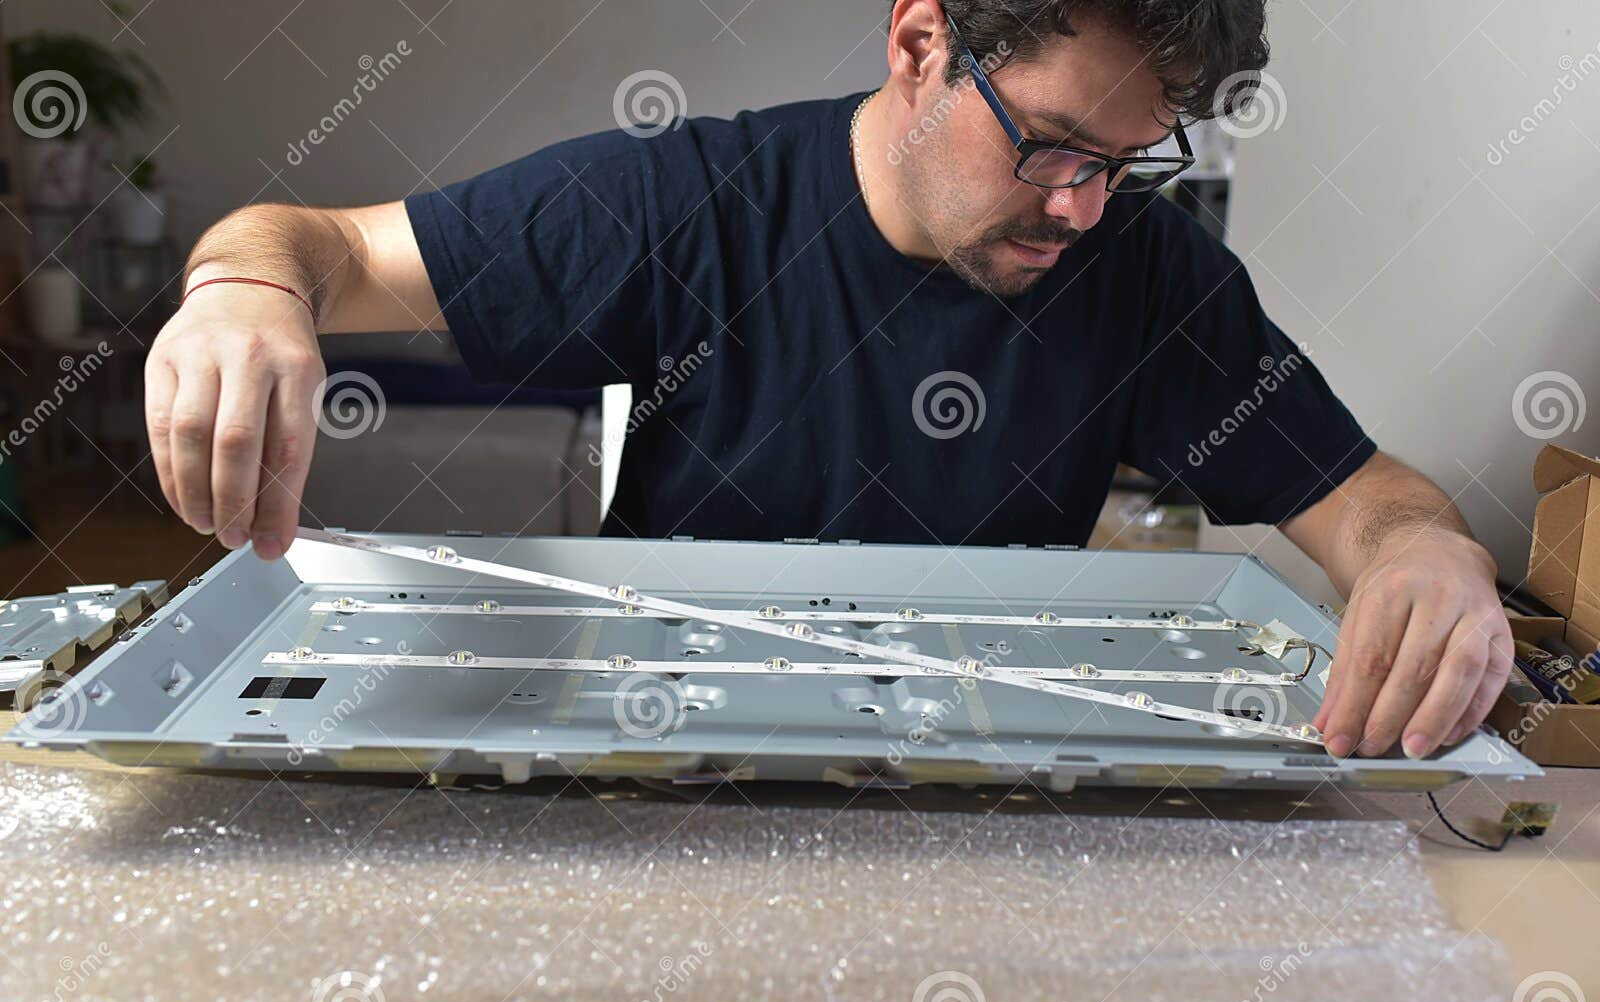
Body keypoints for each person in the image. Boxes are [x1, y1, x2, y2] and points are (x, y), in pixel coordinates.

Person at [145, 0, 1511, 761]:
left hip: (985, 788)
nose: (1082, 207)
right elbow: (310, 243)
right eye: (1048, 146)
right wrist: (243, 292)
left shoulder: (1146, 275)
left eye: (1127, 163)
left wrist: (1430, 557)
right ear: (919, 45)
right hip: (656, 767)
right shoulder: (689, 204)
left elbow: (1370, 502)